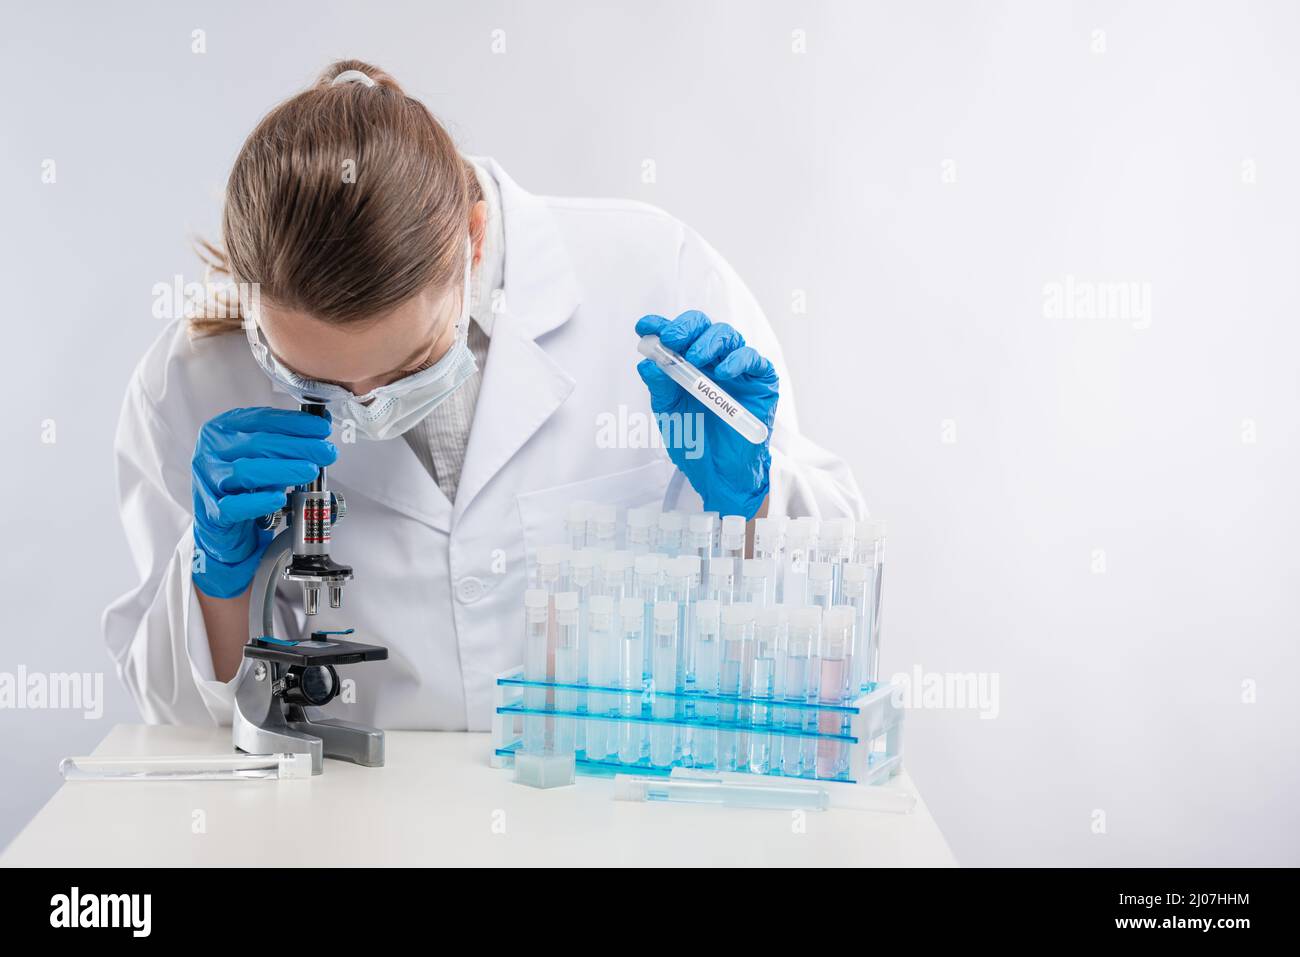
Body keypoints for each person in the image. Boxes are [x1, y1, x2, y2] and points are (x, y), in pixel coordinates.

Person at [103, 60, 866, 728]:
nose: (365, 405)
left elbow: (834, 617)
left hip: (622, 816)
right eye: (319, 384)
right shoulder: (194, 379)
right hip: (349, 831)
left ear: (472, 239)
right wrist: (214, 583)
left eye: (405, 365)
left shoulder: (653, 271)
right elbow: (171, 719)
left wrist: (754, 499)